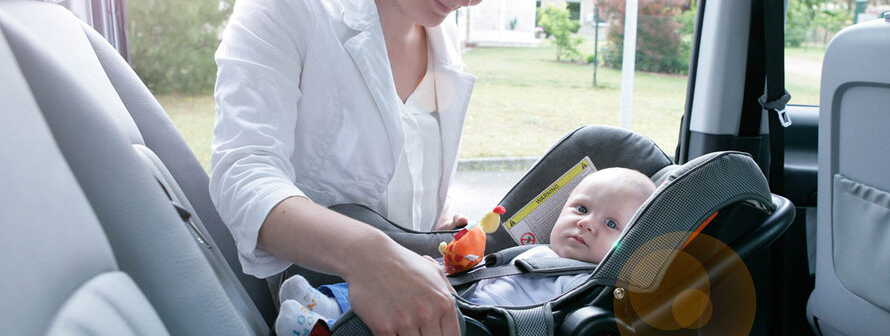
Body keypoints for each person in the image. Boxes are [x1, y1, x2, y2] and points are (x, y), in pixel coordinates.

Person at [208, 0, 531, 334]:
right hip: (322, 308)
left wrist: (430, 227)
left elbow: (393, 174)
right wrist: (366, 255)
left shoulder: (445, 44)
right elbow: (243, 173)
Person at [274, 168, 658, 335]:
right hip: (463, 290)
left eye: (611, 225)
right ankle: (319, 300)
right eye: (581, 209)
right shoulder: (539, 252)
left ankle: (320, 324)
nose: (587, 223)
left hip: (473, 321)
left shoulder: (585, 285)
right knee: (395, 273)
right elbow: (492, 272)